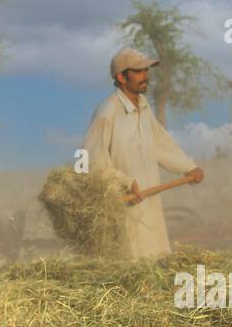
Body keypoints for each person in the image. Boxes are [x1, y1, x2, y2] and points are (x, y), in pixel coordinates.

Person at [81, 47, 205, 260]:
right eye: (138, 71)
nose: (145, 76)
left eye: (146, 71)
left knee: (155, 260)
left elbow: (161, 144)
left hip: (149, 202)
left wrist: (188, 167)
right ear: (121, 77)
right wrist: (125, 182)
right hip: (125, 206)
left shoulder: (144, 108)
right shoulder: (106, 113)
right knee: (130, 264)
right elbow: (90, 163)